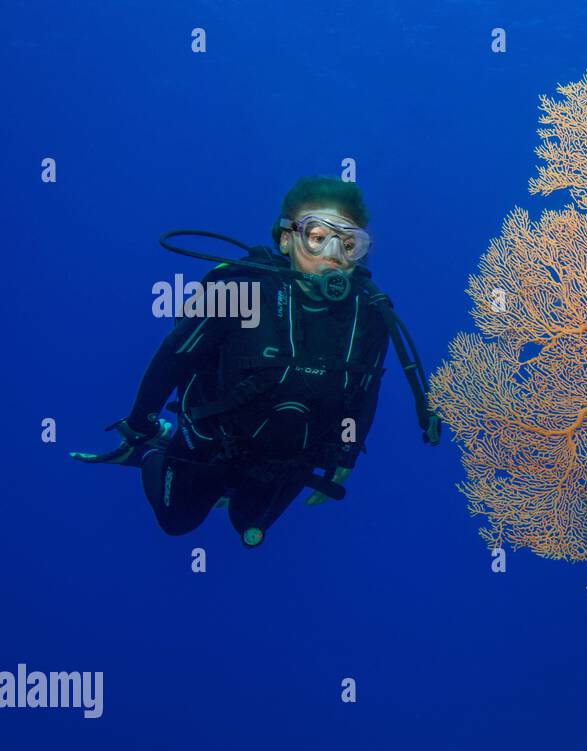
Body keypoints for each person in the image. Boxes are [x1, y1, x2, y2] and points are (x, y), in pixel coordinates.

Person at [72, 177, 438, 548]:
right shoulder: (241, 292)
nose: (333, 253)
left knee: (248, 528)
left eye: (348, 244)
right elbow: (175, 355)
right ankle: (153, 452)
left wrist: (347, 454)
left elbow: (363, 391)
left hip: (290, 460)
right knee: (176, 522)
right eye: (317, 235)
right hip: (211, 445)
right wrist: (141, 422)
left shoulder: (372, 316)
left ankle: (232, 496)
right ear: (286, 239)